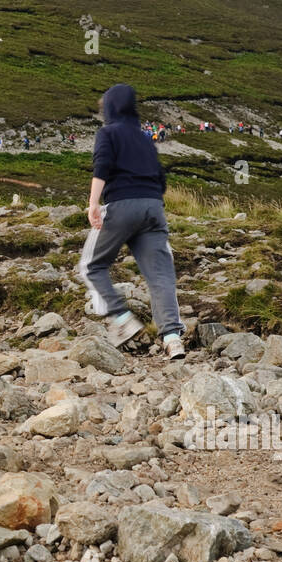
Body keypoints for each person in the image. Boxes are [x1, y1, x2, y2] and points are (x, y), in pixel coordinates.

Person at [78, 84, 185, 359]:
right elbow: (161, 179)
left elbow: (101, 166)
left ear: (111, 108)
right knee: (160, 274)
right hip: (153, 208)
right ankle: (173, 338)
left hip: (122, 205)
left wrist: (93, 204)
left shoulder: (108, 133)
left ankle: (123, 319)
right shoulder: (145, 138)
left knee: (92, 265)